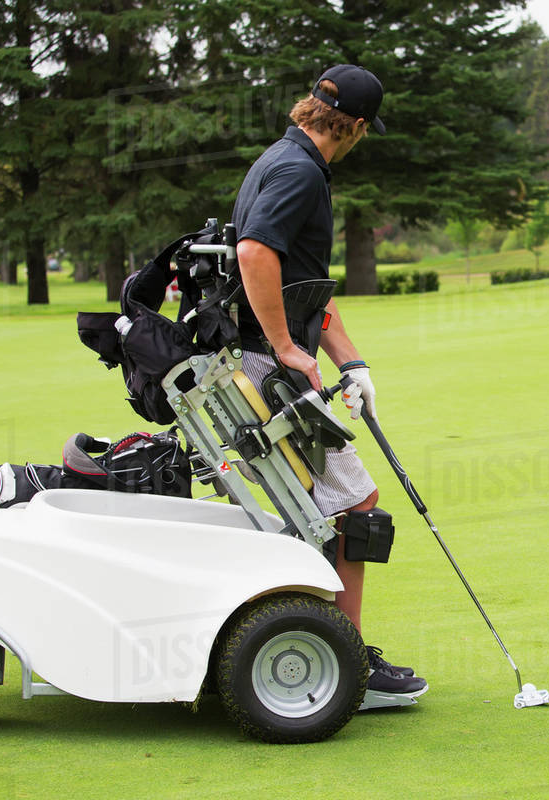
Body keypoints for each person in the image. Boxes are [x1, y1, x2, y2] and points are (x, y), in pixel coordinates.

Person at [231, 65, 425, 695]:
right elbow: (255, 252)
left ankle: (324, 650)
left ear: (313, 107)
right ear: (358, 127)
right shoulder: (300, 172)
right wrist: (287, 346)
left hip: (262, 364)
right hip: (266, 368)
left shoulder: (282, 159)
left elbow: (303, 284)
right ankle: (347, 663)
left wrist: (352, 361)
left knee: (319, 512)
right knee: (353, 505)